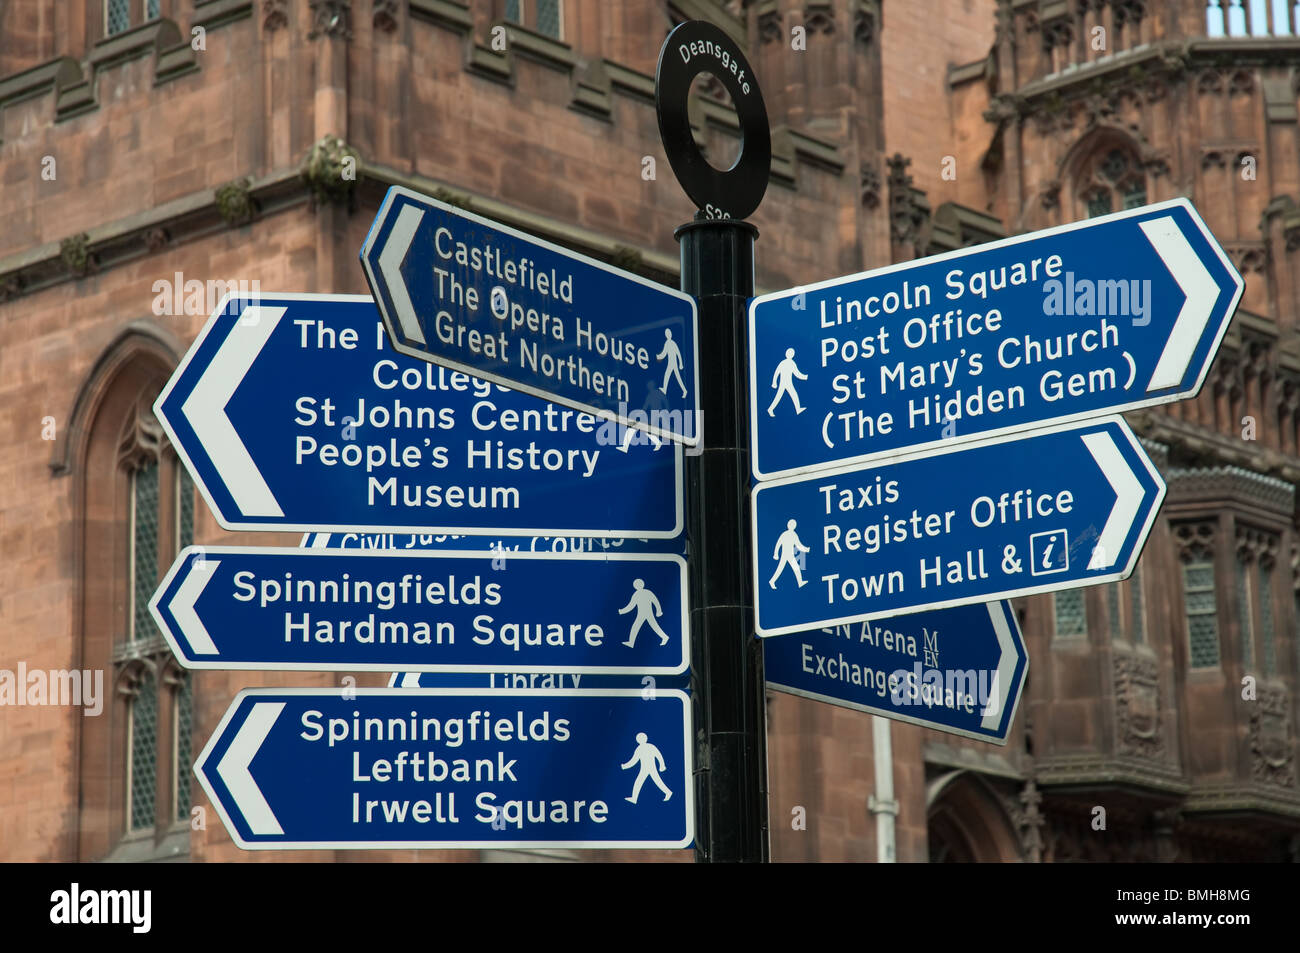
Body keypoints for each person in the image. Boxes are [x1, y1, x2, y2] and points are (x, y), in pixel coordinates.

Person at [621, 732, 672, 803]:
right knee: (641, 781)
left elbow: (658, 755)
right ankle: (634, 798)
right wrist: (625, 766)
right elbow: (634, 760)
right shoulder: (644, 748)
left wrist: (662, 765)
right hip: (645, 769)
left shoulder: (646, 747)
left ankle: (668, 792)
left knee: (655, 781)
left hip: (650, 768)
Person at [618, 578, 669, 647]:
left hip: (646, 613)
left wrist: (622, 611)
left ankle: (664, 637)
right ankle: (631, 642)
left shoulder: (641, 593)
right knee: (637, 626)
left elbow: (655, 601)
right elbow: (631, 605)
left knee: (651, 626)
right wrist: (622, 611)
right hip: (642, 614)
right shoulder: (641, 593)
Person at [769, 518, 810, 589]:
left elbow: (798, 545)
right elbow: (778, 544)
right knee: (781, 569)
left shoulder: (793, 534)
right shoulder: (786, 534)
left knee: (795, 568)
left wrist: (806, 549)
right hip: (786, 554)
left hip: (789, 555)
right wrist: (775, 554)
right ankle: (772, 581)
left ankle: (800, 582)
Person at [767, 347, 808, 416]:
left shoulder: (791, 363)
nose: (791, 354)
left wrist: (804, 377)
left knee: (793, 394)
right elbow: (777, 372)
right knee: (779, 396)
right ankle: (770, 409)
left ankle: (798, 409)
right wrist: (774, 382)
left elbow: (796, 373)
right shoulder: (785, 363)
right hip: (784, 383)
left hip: (788, 383)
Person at [657, 328, 687, 398]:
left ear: (670, 334)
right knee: (668, 375)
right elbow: (664, 353)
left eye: (669, 333)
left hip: (673, 363)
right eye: (667, 334)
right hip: (671, 363)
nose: (668, 335)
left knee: (677, 377)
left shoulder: (672, 343)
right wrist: (659, 356)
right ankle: (665, 389)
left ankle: (684, 390)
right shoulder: (667, 343)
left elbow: (678, 353)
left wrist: (681, 363)